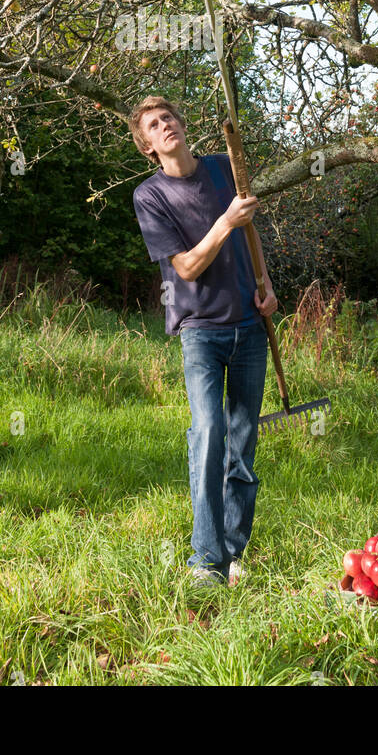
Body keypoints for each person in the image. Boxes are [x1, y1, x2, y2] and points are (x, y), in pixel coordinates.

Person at [128, 95, 278, 587]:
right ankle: (205, 560)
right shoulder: (150, 197)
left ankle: (234, 553)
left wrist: (267, 284)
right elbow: (187, 267)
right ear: (148, 145)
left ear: (182, 124)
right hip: (200, 331)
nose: (164, 124)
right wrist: (224, 223)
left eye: (168, 116)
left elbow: (251, 232)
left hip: (250, 328)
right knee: (209, 432)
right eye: (154, 124)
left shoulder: (222, 168)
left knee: (243, 440)